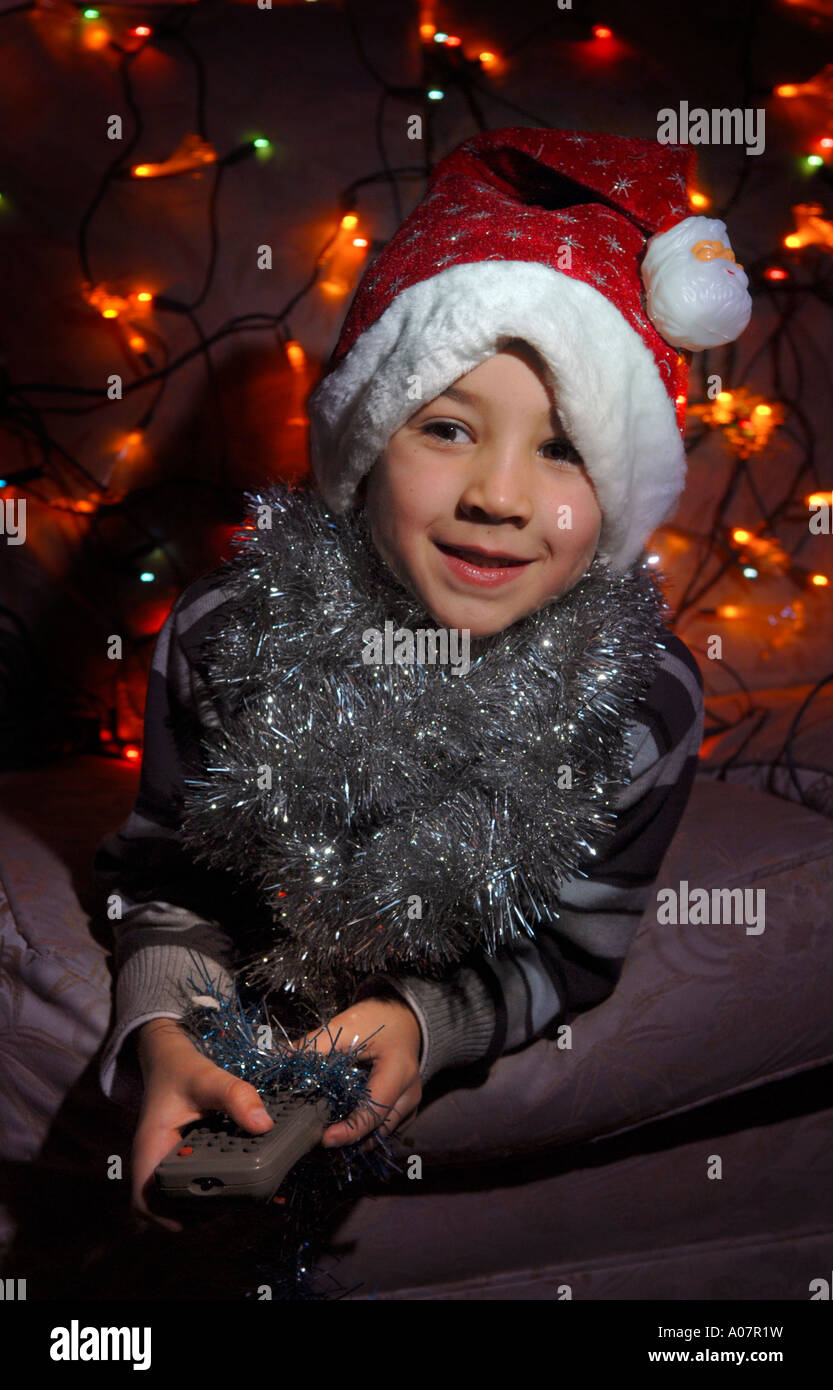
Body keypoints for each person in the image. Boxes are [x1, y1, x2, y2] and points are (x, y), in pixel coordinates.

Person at [93, 126, 752, 1232]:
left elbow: (574, 951)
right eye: (446, 426)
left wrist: (424, 1019)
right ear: (363, 441)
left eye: (564, 449)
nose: (498, 495)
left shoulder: (643, 702)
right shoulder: (221, 635)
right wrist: (162, 1033)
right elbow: (170, 881)